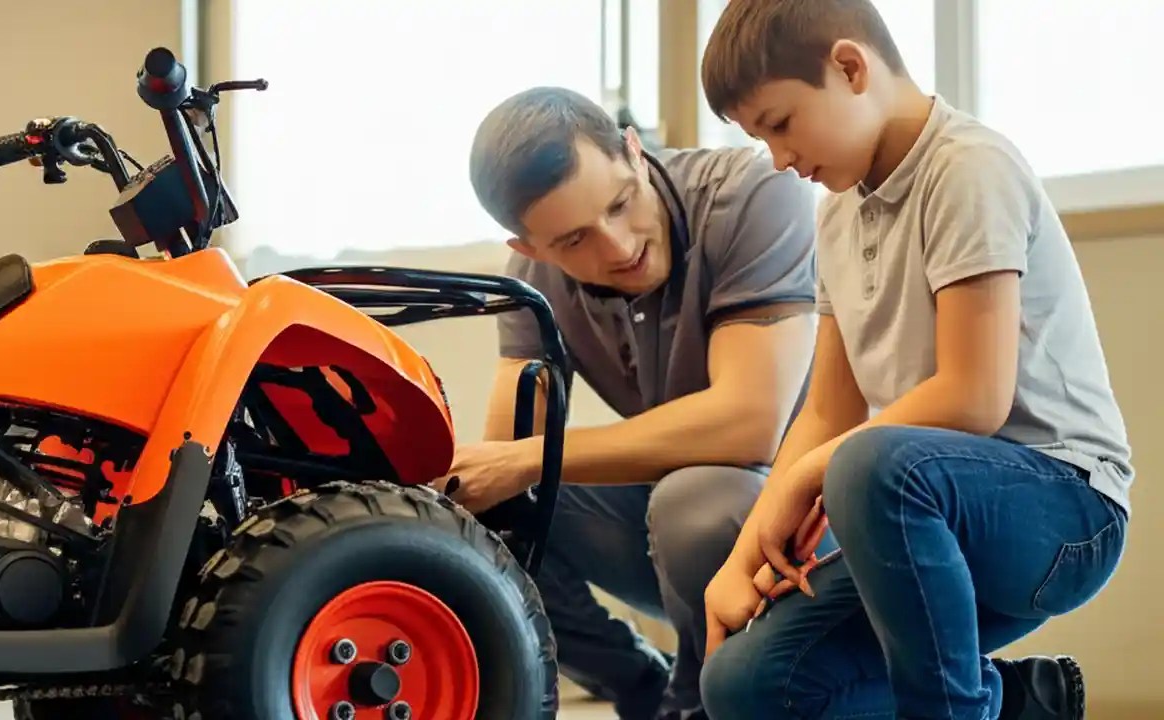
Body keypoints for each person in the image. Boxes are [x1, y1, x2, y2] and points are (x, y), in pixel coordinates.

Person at [694, 2, 1134, 719]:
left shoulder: (968, 168)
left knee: (869, 465)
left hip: (1064, 511)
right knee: (745, 684)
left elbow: (973, 397)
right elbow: (830, 410)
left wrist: (804, 477)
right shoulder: (835, 213)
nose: (777, 159)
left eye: (779, 124)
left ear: (849, 67)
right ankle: (1017, 702)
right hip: (922, 506)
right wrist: (741, 558)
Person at [437, 86, 821, 719]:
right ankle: (643, 685)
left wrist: (524, 460)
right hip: (680, 545)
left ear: (636, 153)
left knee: (691, 501)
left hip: (813, 523)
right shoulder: (531, 279)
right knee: (490, 522)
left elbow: (750, 426)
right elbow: (500, 468)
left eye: (620, 203)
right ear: (529, 249)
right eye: (573, 241)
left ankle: (706, 699)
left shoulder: (754, 193)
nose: (617, 247)